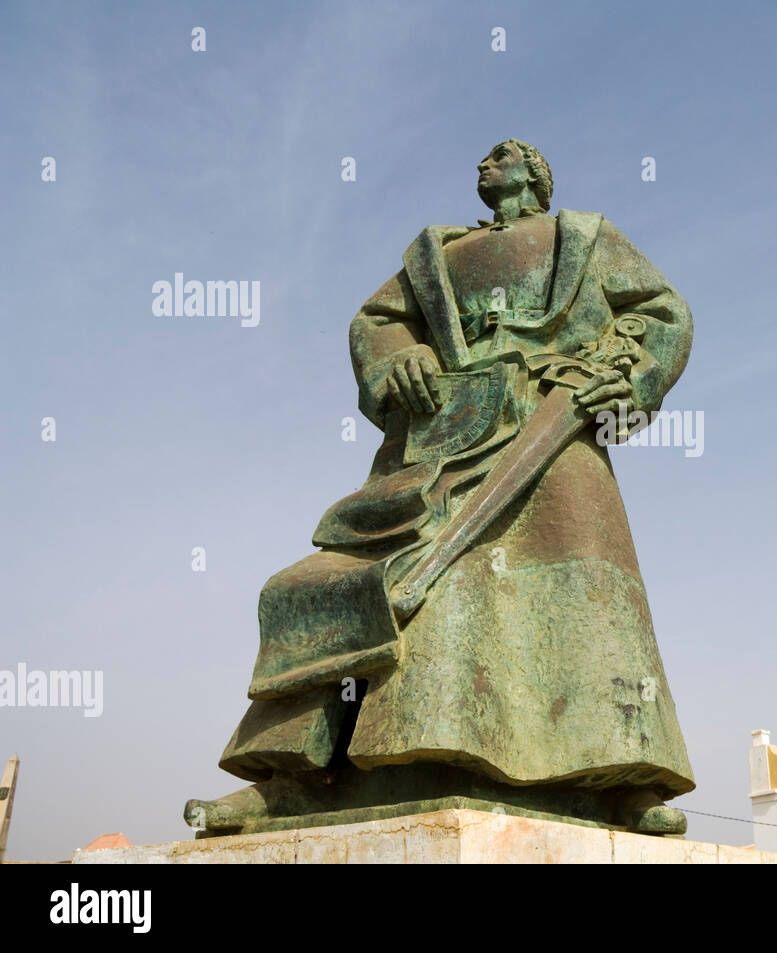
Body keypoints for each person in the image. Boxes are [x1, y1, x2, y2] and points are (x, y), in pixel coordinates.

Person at [185, 139, 695, 836]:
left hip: (554, 426)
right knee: (340, 582)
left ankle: (619, 780)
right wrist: (400, 358)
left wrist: (626, 375)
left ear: (535, 176)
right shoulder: (436, 252)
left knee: (588, 600)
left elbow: (665, 312)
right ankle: (292, 778)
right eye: (485, 158)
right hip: (437, 436)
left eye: (503, 156)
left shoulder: (587, 238)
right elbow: (377, 322)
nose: (486, 164)